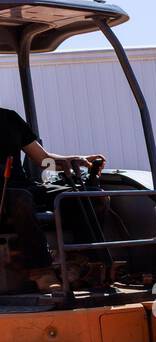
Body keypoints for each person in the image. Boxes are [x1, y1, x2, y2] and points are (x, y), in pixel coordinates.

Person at [0, 107, 105, 293]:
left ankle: (83, 263)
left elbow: (43, 159)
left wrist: (75, 160)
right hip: (9, 194)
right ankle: (41, 272)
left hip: (21, 186)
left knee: (82, 195)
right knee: (22, 198)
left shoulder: (9, 118)